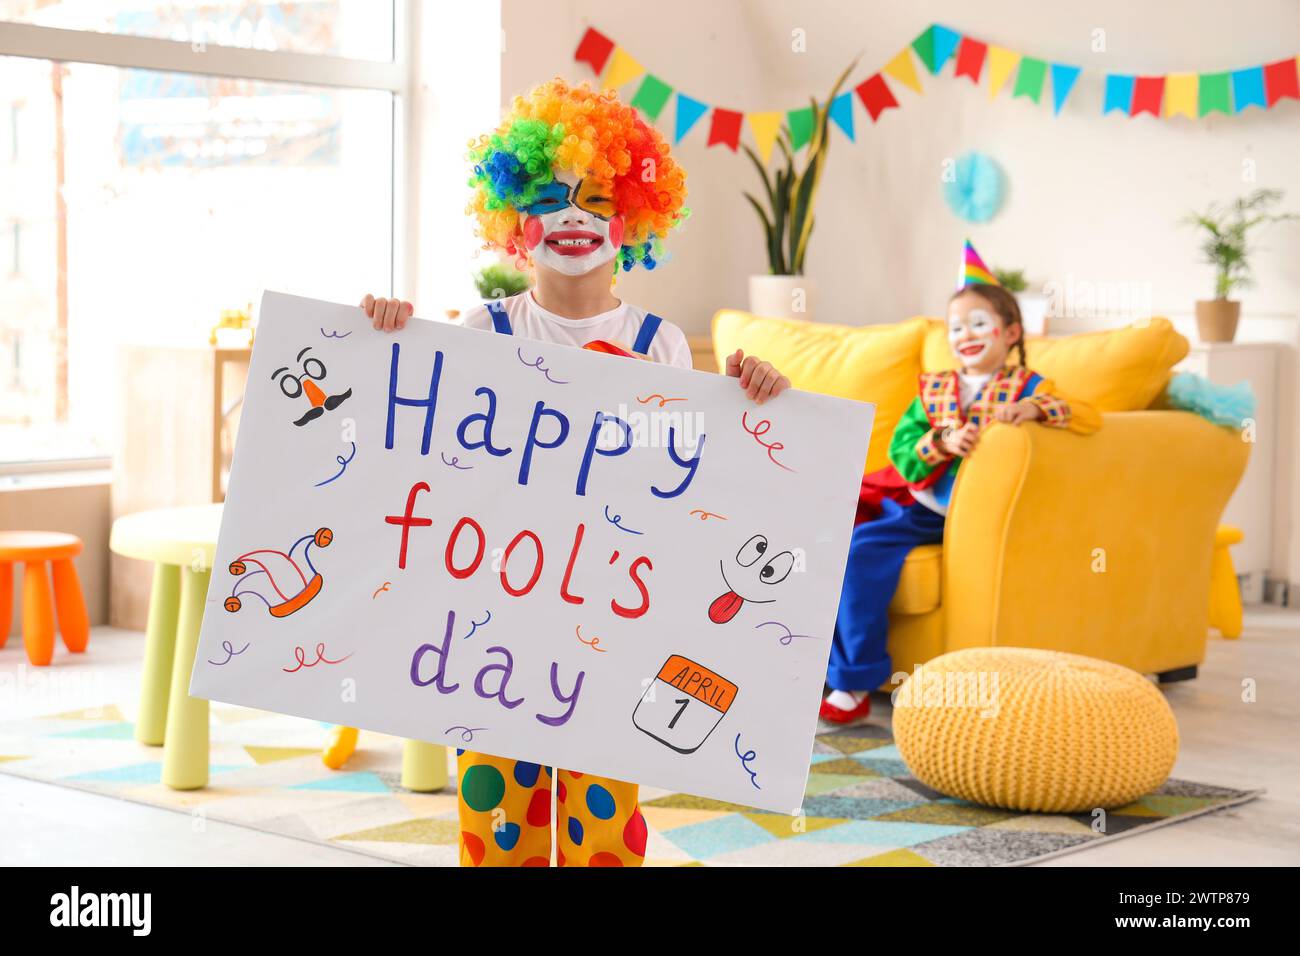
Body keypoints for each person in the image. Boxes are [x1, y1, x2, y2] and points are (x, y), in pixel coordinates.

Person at [361, 77, 790, 865]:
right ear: (517, 226)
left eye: (594, 198)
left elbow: (686, 476)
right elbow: (434, 448)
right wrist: (387, 335)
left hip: (610, 612)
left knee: (603, 817)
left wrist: (750, 401)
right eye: (552, 199)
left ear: (629, 222)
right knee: (497, 812)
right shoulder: (481, 327)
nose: (573, 217)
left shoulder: (660, 341)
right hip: (496, 605)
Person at [820, 241, 1100, 725]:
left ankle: (852, 676)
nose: (964, 335)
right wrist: (943, 441)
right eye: (955, 327)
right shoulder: (934, 390)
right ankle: (849, 678)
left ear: (1010, 332)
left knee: (862, 548)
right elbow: (902, 452)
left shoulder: (1031, 385)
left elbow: (1088, 417)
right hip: (924, 511)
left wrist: (1035, 410)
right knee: (857, 547)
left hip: (989, 519)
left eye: (977, 324)